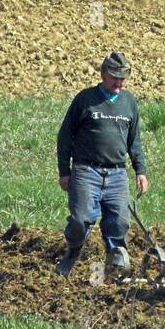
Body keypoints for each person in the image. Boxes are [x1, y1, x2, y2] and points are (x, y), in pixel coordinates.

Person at [55, 51, 149, 278]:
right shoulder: (85, 99)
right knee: (81, 219)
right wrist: (64, 172)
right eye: (115, 77)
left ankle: (116, 267)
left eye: (123, 78)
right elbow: (65, 136)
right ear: (103, 74)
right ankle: (72, 251)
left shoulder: (129, 103)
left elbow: (134, 140)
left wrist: (140, 170)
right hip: (86, 171)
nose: (120, 82)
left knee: (118, 223)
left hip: (117, 173)